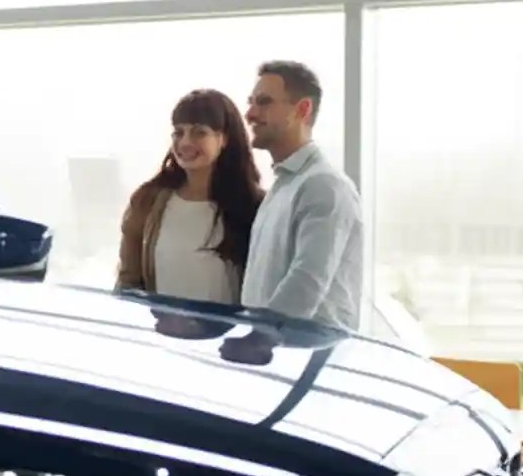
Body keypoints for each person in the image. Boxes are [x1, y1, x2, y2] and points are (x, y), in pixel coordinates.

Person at [240, 60, 362, 331]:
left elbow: (307, 282)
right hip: (277, 356)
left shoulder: (324, 185)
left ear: (302, 109)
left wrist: (258, 341)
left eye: (264, 102)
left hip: (305, 359)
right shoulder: (285, 185)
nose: (250, 114)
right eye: (251, 102)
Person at [117, 89, 264, 304]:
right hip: (159, 334)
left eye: (199, 132)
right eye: (178, 132)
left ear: (224, 139)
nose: (185, 142)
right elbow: (127, 283)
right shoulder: (146, 201)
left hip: (226, 335)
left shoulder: (254, 206)